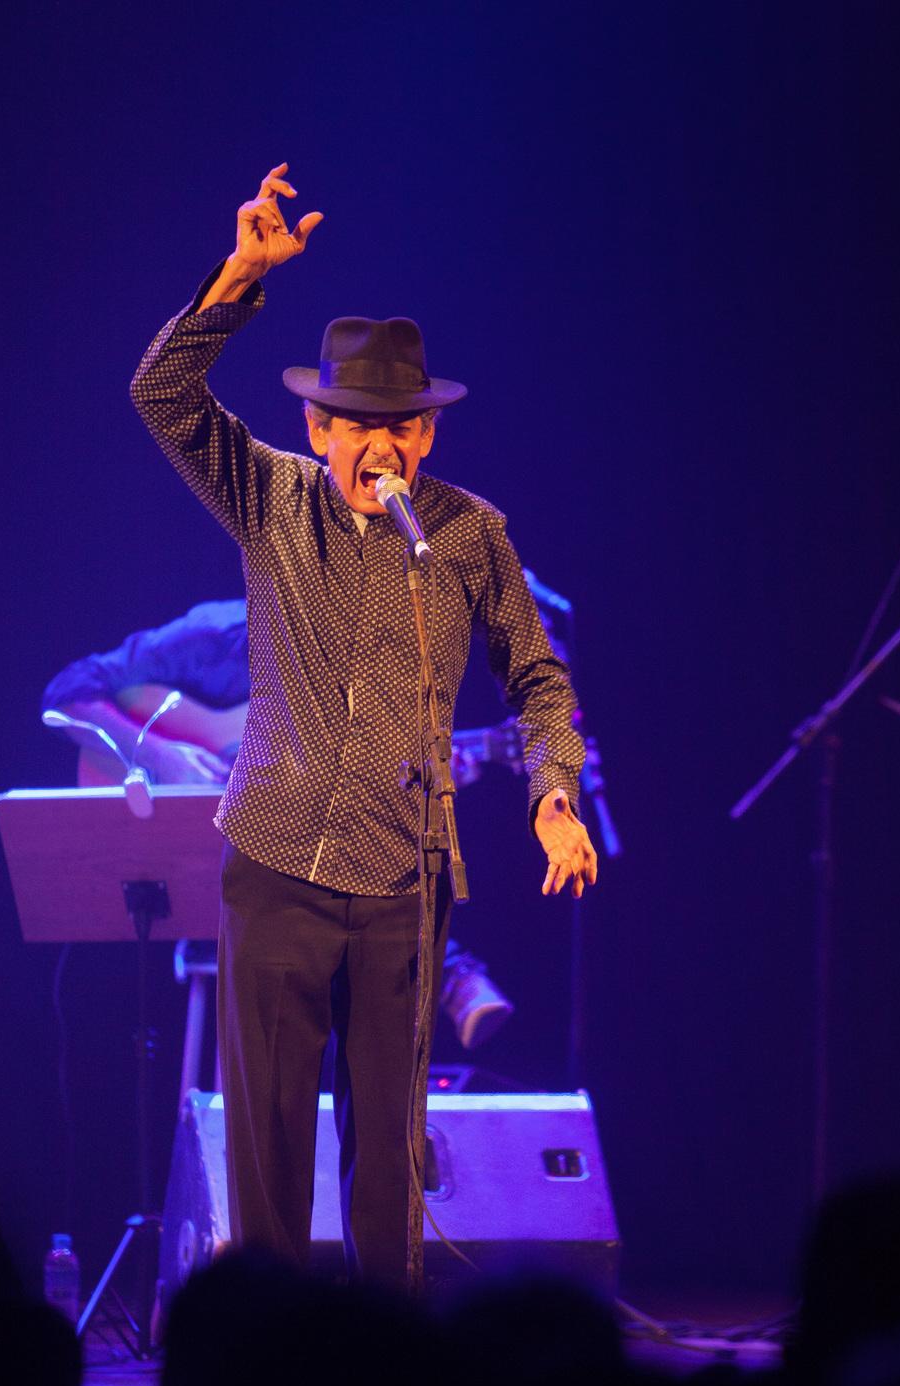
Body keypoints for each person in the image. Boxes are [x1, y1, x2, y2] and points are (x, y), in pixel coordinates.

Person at [128, 164, 596, 1287]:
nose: (375, 444)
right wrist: (238, 278)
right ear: (315, 423)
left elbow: (537, 674)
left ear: (423, 438)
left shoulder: (468, 536)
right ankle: (273, 1385)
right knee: (273, 1148)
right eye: (352, 424)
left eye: (396, 427)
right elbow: (162, 397)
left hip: (403, 876)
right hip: (278, 862)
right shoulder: (270, 496)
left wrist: (552, 794)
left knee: (389, 1153)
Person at [42, 596, 525, 1050]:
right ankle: (451, 972)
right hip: (183, 851)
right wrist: (163, 757)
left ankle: (438, 971)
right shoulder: (217, 635)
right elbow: (66, 694)